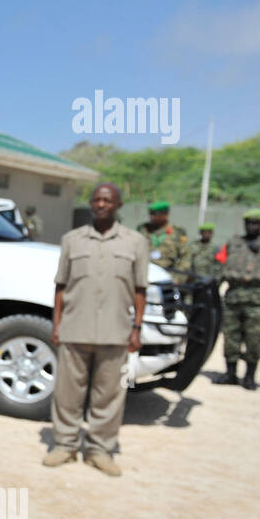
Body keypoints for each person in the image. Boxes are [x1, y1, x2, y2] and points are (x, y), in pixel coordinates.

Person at [45, 182, 148, 477]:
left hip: (115, 332)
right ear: (91, 203)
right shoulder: (71, 240)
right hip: (74, 328)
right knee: (67, 393)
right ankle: (64, 445)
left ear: (118, 205)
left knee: (110, 396)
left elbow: (140, 288)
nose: (101, 204)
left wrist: (136, 327)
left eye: (108, 200)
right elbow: (61, 286)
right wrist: (57, 324)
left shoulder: (135, 242)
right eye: (97, 200)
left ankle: (99, 450)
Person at [218, 209, 260, 390]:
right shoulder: (234, 242)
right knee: (230, 338)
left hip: (257, 300)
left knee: (254, 339)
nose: (251, 226)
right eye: (249, 223)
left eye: (256, 223)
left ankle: (249, 376)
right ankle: (230, 374)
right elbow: (220, 268)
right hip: (233, 297)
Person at [137, 200, 191, 281]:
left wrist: (177, 278)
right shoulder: (143, 230)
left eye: (155, 214)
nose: (152, 217)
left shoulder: (177, 232)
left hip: (168, 276)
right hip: (144, 275)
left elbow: (185, 257)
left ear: (165, 214)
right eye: (150, 213)